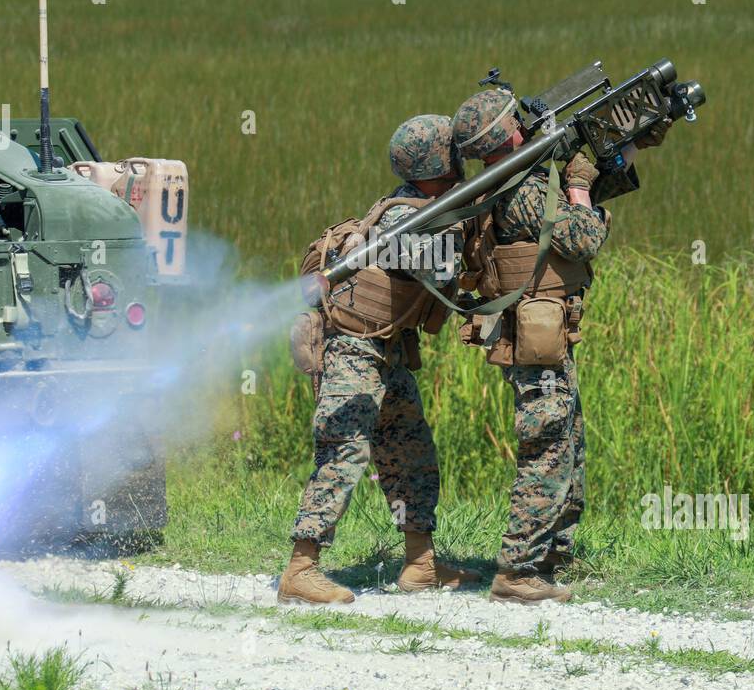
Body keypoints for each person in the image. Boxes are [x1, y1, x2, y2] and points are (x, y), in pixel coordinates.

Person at [452, 87, 657, 603]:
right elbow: (583, 236)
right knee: (547, 446)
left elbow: (568, 206)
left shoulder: (512, 179)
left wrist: (627, 148)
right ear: (507, 132)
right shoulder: (519, 188)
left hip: (544, 333)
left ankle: (552, 553)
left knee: (568, 439)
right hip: (534, 339)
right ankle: (518, 571)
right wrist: (582, 183)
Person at [278, 115, 480, 604]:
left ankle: (420, 564)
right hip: (352, 350)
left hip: (385, 352)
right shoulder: (403, 218)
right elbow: (444, 268)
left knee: (410, 451)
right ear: (440, 161)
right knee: (343, 452)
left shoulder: (429, 205)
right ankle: (300, 569)